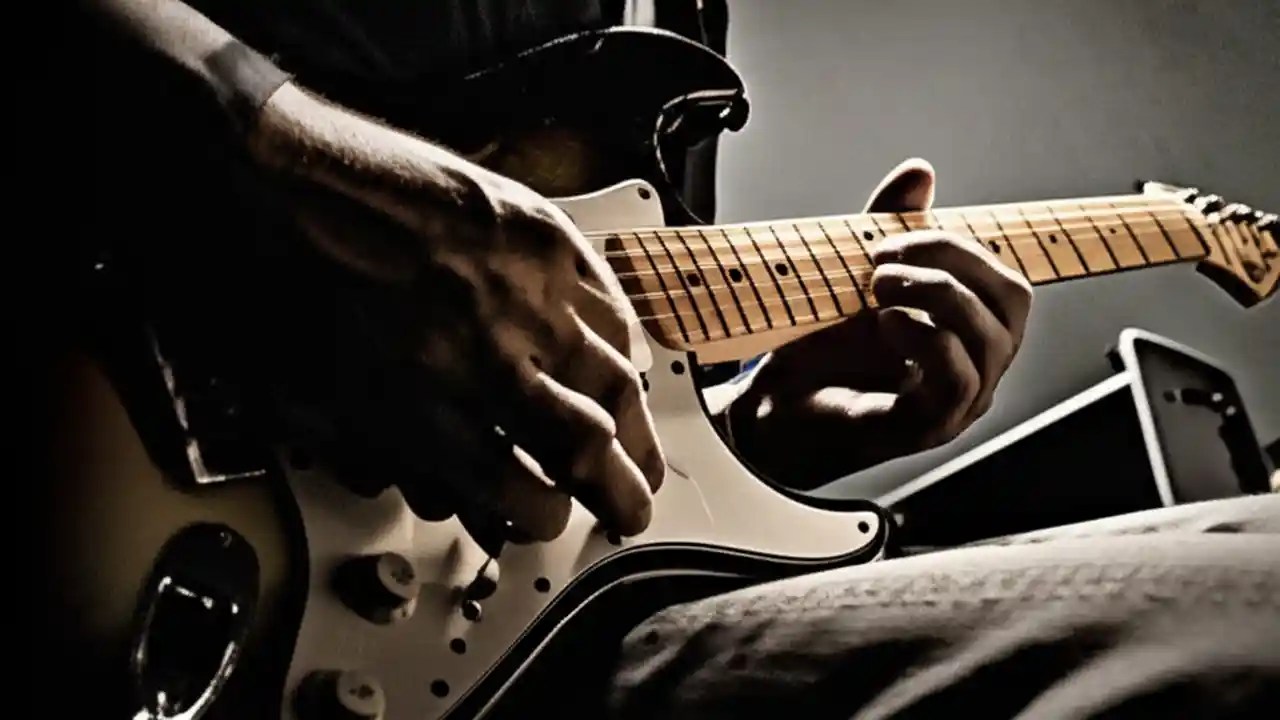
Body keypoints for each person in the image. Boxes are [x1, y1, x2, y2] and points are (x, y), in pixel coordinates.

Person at [70, 1, 1279, 717]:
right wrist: (294, 164)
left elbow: (552, 351)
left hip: (487, 648)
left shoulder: (676, 22)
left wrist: (749, 435)